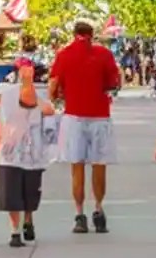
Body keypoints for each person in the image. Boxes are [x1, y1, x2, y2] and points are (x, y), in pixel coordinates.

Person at [49, 19, 120, 235]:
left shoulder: (64, 54)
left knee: (77, 168)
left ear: (74, 33)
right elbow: (114, 84)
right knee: (99, 166)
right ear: (92, 33)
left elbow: (53, 85)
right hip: (99, 116)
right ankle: (98, 211)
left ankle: (79, 215)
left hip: (74, 116)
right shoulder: (104, 54)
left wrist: (58, 97)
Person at [0, 57, 55, 247]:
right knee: (13, 194)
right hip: (11, 150)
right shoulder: (5, 91)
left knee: (28, 192)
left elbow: (49, 110)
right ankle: (15, 230)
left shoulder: (37, 93)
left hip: (30, 152)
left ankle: (26, 221)